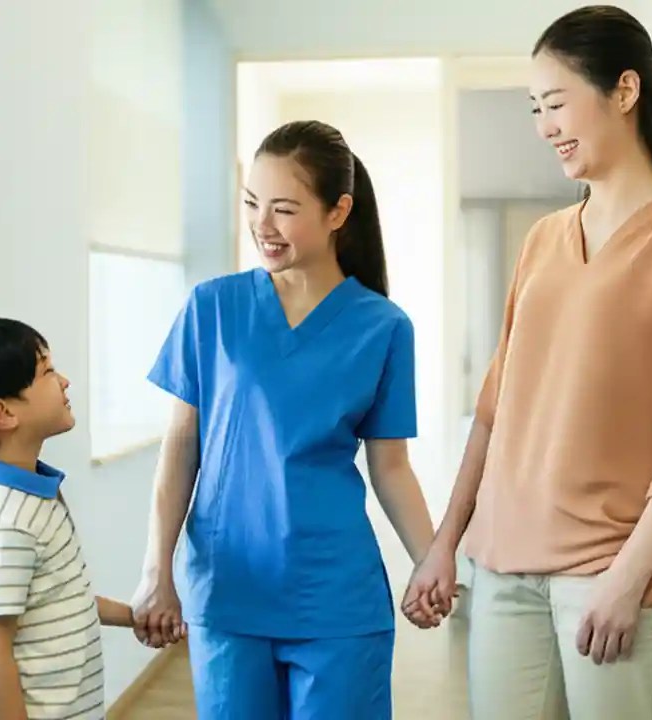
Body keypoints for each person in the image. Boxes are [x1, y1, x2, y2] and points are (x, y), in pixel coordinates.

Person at [403, 6, 652, 719]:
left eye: (556, 103)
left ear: (625, 91)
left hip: (616, 573)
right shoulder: (543, 240)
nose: (544, 126)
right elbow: (494, 413)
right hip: (503, 569)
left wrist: (629, 579)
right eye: (535, 108)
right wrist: (446, 542)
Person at [132, 119, 443, 719]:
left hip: (336, 597)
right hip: (230, 590)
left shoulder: (382, 327)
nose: (262, 225)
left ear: (337, 211)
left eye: (283, 208)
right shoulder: (212, 308)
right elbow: (180, 449)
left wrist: (431, 559)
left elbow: (392, 467)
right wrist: (156, 568)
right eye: (252, 203)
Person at [0, 318, 134, 720]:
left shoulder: (31, 495)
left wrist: (132, 617)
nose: (65, 381)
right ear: (3, 413)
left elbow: (57, 600)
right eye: (47, 371)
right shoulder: (5, 521)